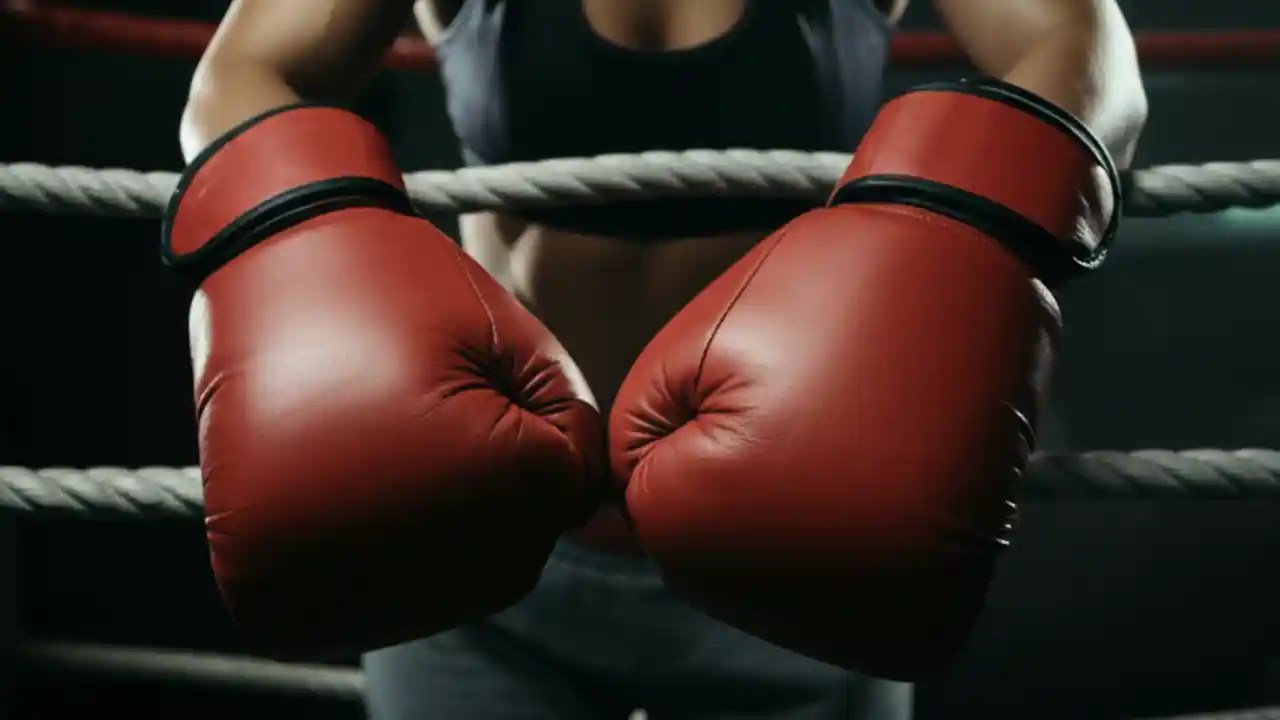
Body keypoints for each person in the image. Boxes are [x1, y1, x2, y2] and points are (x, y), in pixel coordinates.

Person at [172, 1, 1147, 718]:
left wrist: (962, 243)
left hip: (798, 534)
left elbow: (1082, 54)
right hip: (492, 531)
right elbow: (241, 76)